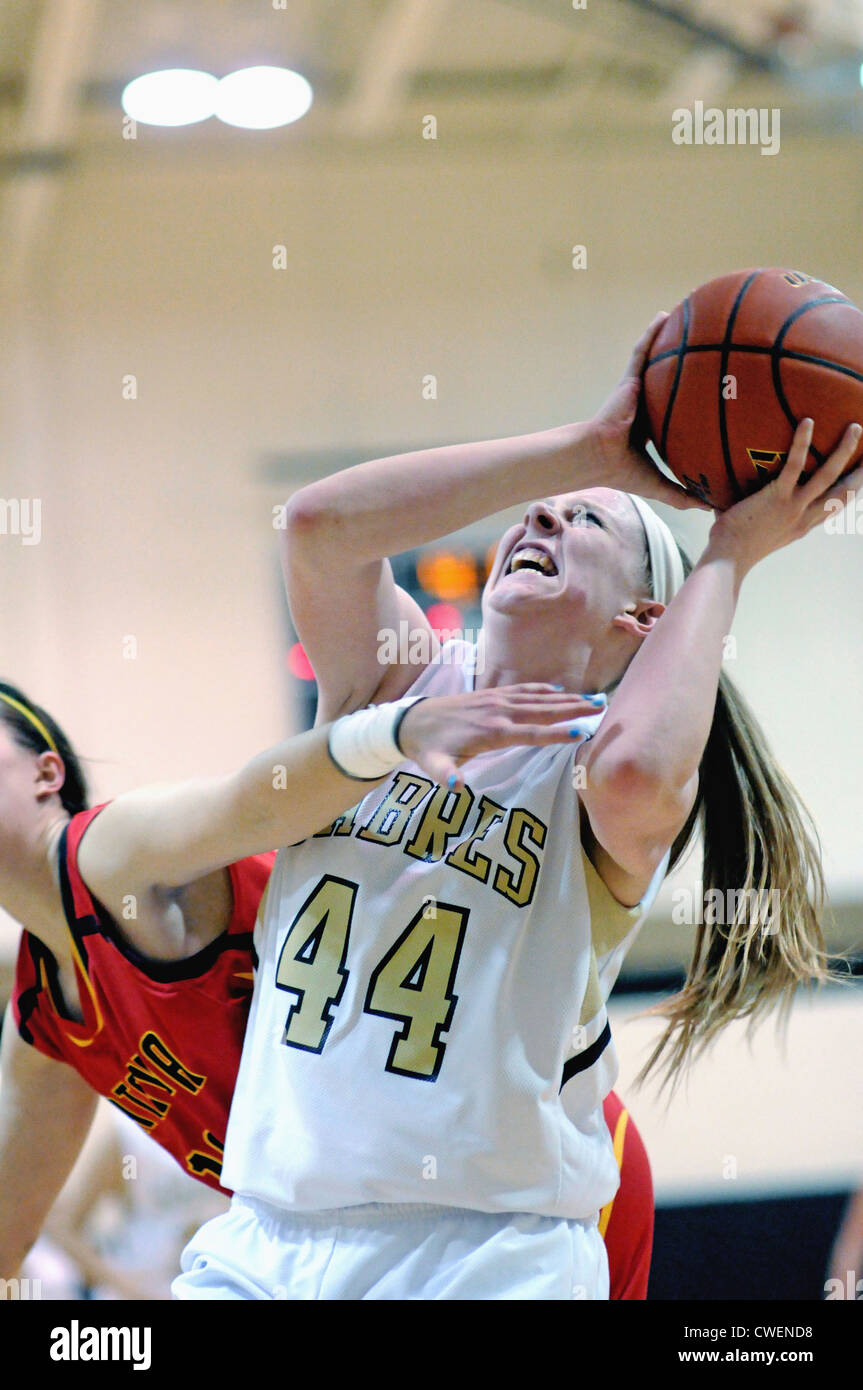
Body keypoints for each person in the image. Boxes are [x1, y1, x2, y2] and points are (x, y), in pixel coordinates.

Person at [174, 314, 861, 1301]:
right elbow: (319, 529)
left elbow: (634, 776)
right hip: (267, 1236)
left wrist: (728, 554)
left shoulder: (599, 767)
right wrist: (586, 454)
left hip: (485, 1255)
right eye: (539, 512)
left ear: (641, 620)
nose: (539, 520)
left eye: (585, 523)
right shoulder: (393, 684)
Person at [0, 676, 595, 1279]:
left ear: (46, 775)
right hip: (326, 1242)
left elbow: (259, 802)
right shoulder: (44, 1013)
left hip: (516, 1201)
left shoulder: (110, 855)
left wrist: (393, 731)